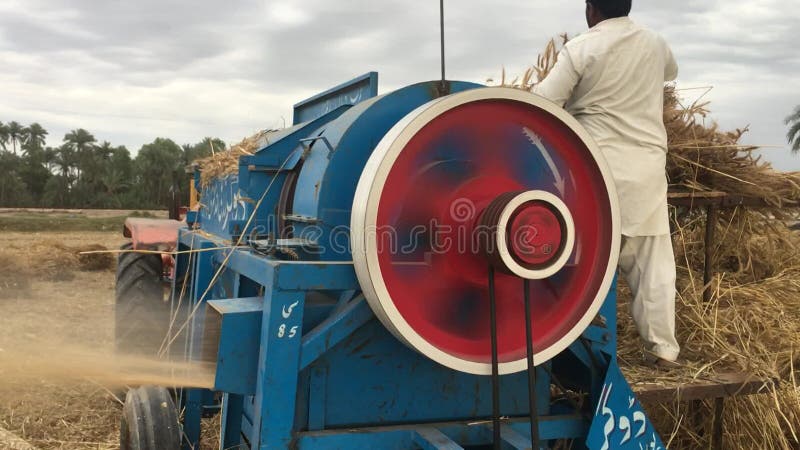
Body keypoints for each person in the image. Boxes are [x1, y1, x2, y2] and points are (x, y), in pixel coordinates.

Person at [533, 0, 680, 366]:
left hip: (597, 172)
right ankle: (663, 349)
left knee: (589, 263)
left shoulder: (581, 48)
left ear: (591, 10)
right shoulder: (655, 43)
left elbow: (543, 101)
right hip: (646, 167)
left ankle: (582, 355)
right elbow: (670, 71)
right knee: (653, 262)